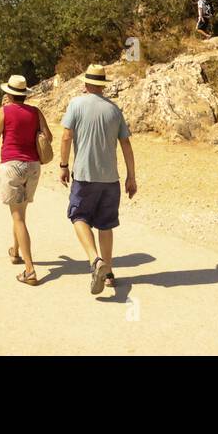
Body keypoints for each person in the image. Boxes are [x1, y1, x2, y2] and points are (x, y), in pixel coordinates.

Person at [59, 64, 137, 295]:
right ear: (103, 85)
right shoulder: (114, 110)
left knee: (78, 215)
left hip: (84, 175)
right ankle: (109, 272)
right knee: (106, 224)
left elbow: (65, 137)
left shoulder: (76, 104)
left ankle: (95, 261)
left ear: (86, 83)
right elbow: (126, 144)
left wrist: (63, 166)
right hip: (110, 178)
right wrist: (131, 177)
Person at [0, 75, 52, 286]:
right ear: (24, 94)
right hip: (33, 166)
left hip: (12, 165)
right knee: (20, 214)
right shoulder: (36, 112)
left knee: (18, 218)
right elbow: (48, 137)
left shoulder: (3, 112)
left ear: (9, 94)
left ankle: (30, 270)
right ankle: (15, 251)